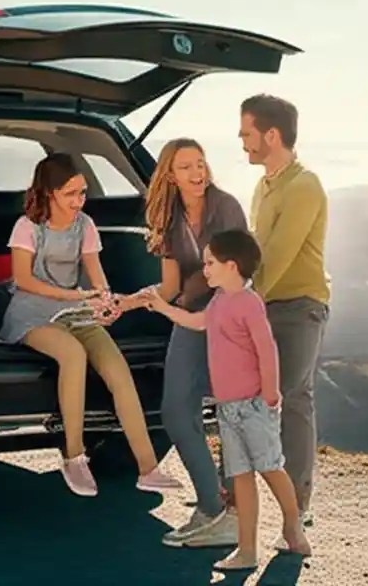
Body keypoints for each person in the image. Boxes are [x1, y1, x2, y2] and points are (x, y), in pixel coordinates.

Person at [0, 152, 183, 497]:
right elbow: (22, 279)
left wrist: (104, 301)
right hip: (33, 314)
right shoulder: (27, 227)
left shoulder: (85, 225)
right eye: (71, 194)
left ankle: (147, 467)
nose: (79, 201)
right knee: (72, 355)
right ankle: (75, 455)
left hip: (76, 311)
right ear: (50, 193)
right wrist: (71, 297)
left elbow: (97, 276)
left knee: (117, 369)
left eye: (82, 192)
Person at [141, 229, 312, 571]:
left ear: (231, 266)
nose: (204, 269)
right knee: (240, 477)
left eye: (210, 263)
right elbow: (197, 322)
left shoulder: (249, 303)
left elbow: (267, 349)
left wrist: (270, 394)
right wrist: (161, 307)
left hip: (254, 405)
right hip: (228, 408)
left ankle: (293, 525)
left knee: (270, 468)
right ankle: (247, 550)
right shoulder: (218, 301)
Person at [141, 138, 248, 548]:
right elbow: (168, 288)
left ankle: (230, 516)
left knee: (228, 417)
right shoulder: (170, 219)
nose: (197, 172)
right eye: (186, 166)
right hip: (188, 319)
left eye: (201, 163)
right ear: (170, 174)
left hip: (227, 318)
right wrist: (131, 303)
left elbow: (241, 270)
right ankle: (211, 504)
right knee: (176, 410)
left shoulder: (228, 207)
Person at [238, 94, 330, 524]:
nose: (241, 140)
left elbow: (279, 256)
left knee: (292, 399)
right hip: (264, 304)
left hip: (298, 308)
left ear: (271, 136)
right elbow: (257, 250)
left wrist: (241, 304)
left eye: (247, 132)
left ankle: (297, 508)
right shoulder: (263, 186)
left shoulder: (304, 184)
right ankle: (235, 498)